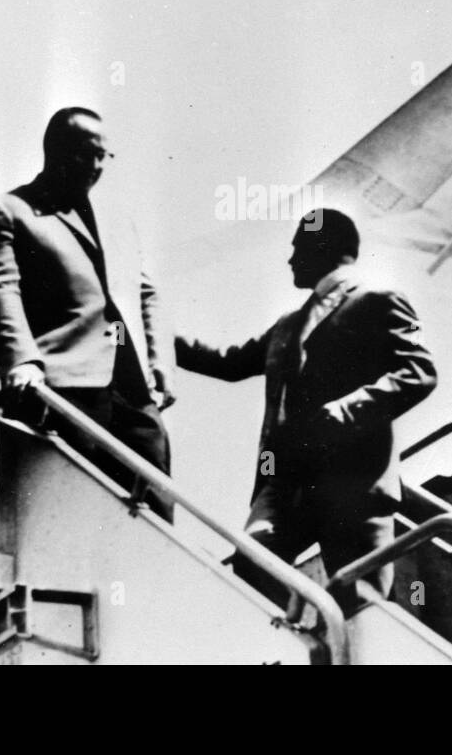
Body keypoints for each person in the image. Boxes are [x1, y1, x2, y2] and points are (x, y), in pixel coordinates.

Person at [176, 208, 436, 612]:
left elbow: (419, 371)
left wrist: (348, 411)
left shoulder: (378, 301)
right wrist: (152, 331)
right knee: (253, 564)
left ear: (324, 248)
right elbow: (229, 364)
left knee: (363, 605)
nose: (291, 258)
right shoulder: (288, 324)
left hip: (352, 483)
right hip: (287, 483)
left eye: (298, 246)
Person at [0, 107, 175, 518]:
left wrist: (159, 360)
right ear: (54, 151)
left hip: (130, 389)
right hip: (62, 385)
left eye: (103, 156)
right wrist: (22, 360)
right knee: (72, 515)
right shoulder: (7, 211)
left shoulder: (119, 221)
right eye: (85, 154)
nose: (96, 166)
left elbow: (146, 292)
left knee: (153, 508)